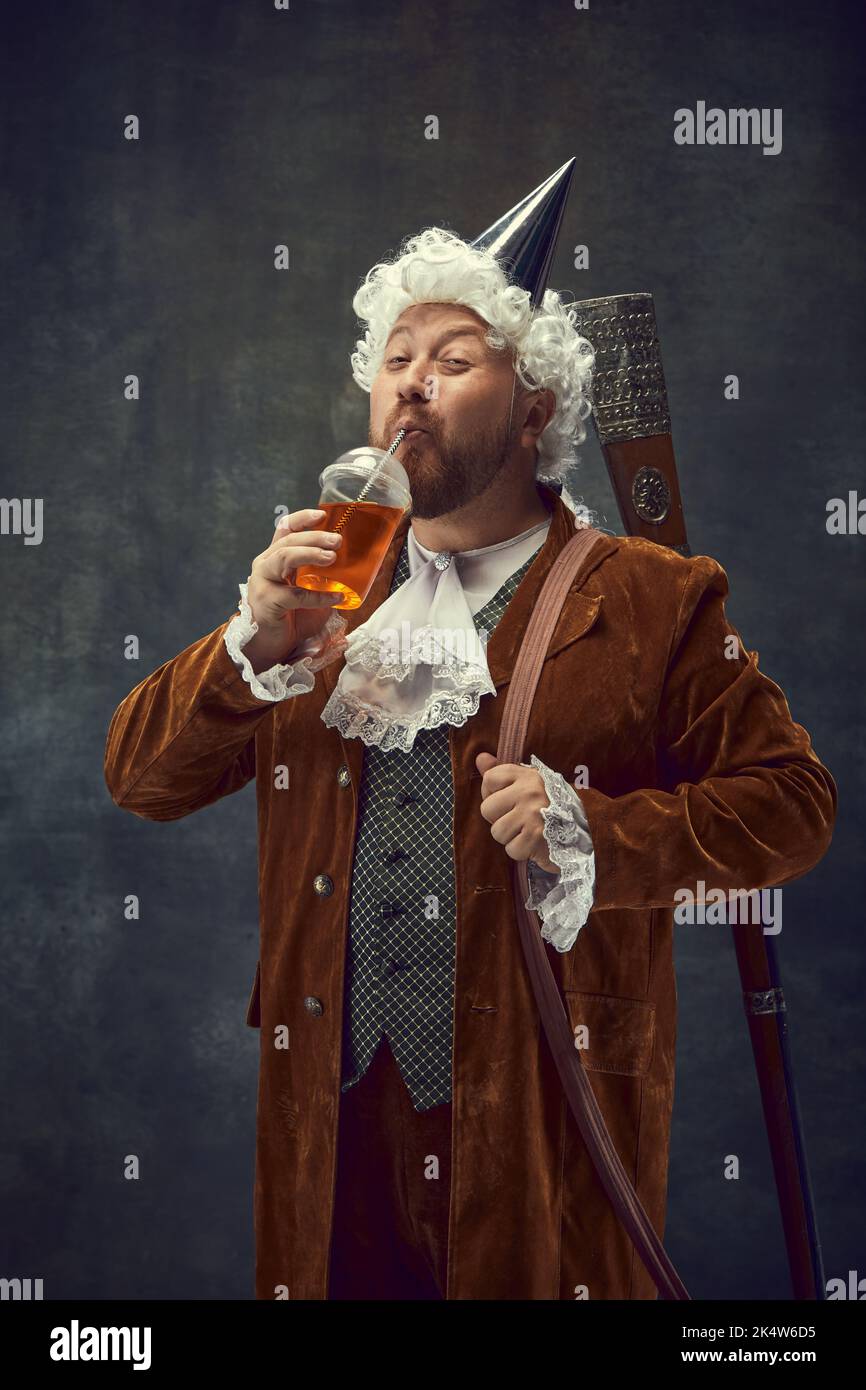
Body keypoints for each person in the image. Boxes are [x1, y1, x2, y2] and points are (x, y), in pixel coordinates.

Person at [104, 166, 837, 1300]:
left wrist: (595, 830)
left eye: (451, 362)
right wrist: (246, 648)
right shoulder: (318, 600)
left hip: (540, 1121)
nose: (412, 387)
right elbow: (139, 778)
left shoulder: (651, 599)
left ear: (533, 405)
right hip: (329, 1132)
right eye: (395, 362)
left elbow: (793, 809)